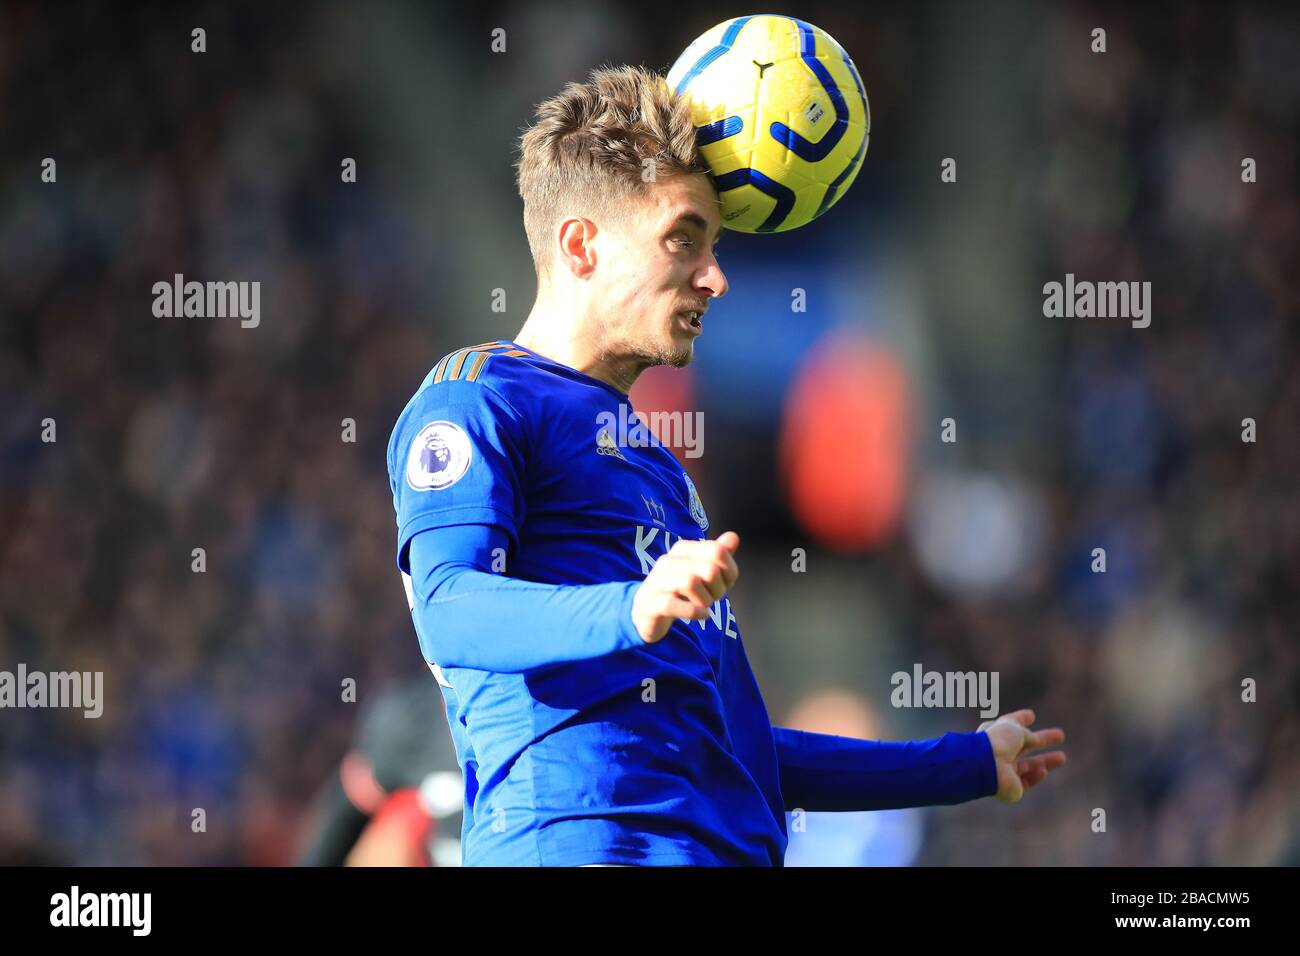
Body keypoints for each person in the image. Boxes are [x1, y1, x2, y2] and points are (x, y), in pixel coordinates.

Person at [386, 65, 1065, 866]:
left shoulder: (657, 470)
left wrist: (961, 764)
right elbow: (451, 609)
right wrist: (630, 607)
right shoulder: (476, 401)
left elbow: (726, 742)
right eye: (684, 237)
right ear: (580, 245)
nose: (714, 276)